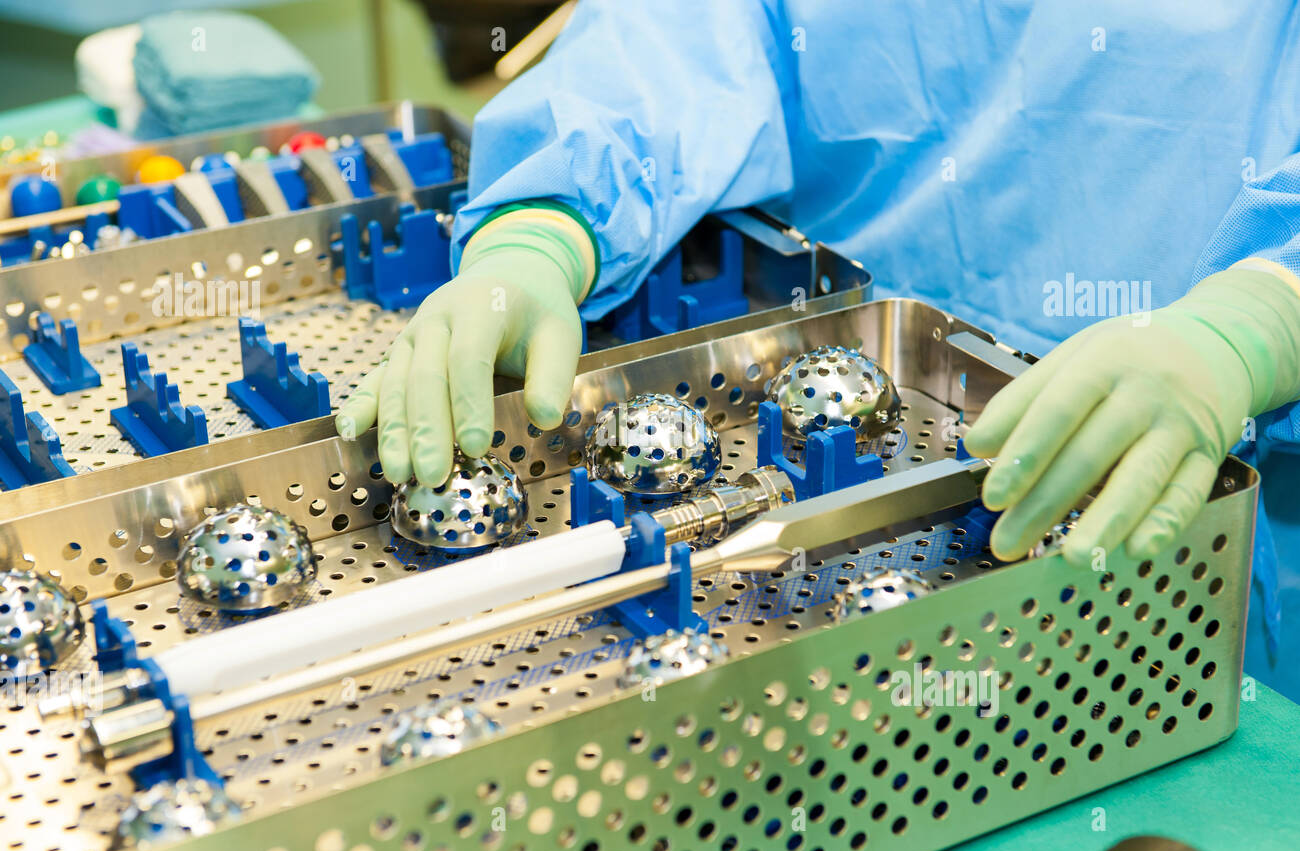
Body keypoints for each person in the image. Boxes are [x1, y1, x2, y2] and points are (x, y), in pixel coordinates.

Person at [337, 1, 1300, 694]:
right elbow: (680, 38)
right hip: (825, 524)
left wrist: (1257, 321)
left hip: (1213, 568)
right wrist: (544, 225)